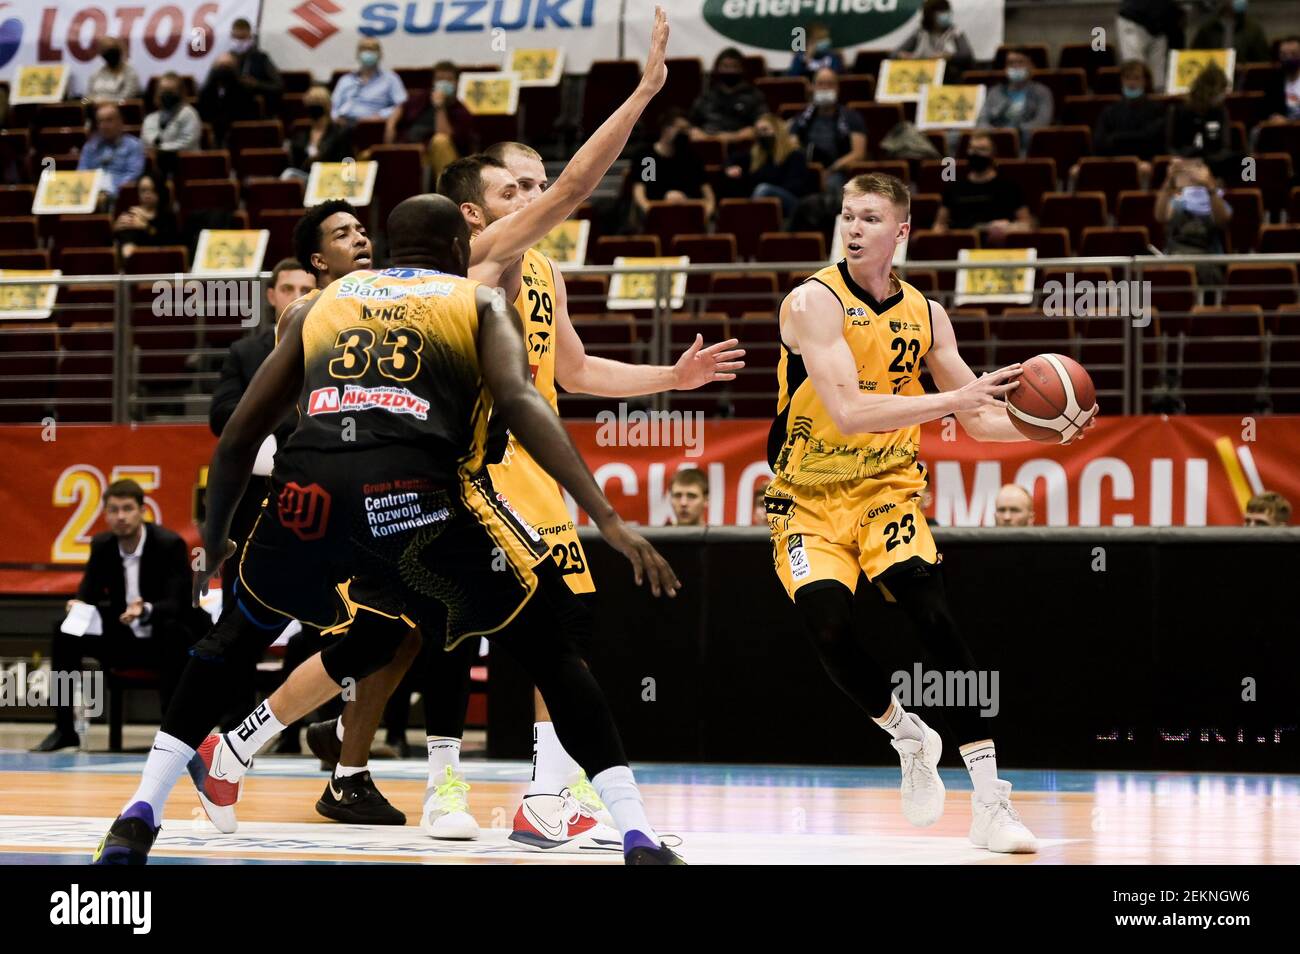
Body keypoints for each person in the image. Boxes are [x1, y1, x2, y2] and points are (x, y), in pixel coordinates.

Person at [92, 190, 685, 865]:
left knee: (234, 640)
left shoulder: (317, 307)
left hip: (307, 500)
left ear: (389, 243)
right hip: (416, 503)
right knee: (551, 651)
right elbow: (522, 404)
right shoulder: (479, 302)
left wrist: (216, 534)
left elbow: (237, 436)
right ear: (460, 251)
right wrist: (606, 515)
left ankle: (139, 812)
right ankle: (636, 831)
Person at [765, 172, 1096, 854]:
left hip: (888, 490)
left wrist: (1052, 429)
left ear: (902, 230)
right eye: (847, 216)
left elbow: (978, 417)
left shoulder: (927, 314)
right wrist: (957, 399)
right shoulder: (812, 304)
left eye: (870, 218)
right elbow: (852, 412)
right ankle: (906, 734)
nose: (853, 228)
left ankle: (991, 802)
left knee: (936, 622)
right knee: (829, 629)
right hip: (807, 499)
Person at [32, 481, 199, 752]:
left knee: (174, 631)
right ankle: (65, 729)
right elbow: (89, 593)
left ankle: (171, 735)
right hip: (122, 638)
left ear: (142, 511)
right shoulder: (103, 545)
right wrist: (79, 605)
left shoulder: (168, 544)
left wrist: (144, 610)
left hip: (161, 636)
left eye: (127, 509)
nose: (120, 517)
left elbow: (177, 602)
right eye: (113, 510)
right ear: (105, 514)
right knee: (65, 631)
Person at [933, 132, 1032, 241]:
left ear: (993, 154)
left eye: (982, 150)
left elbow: (1026, 226)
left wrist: (1008, 228)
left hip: (1000, 249)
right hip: (962, 248)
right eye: (972, 149)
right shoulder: (953, 188)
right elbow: (939, 225)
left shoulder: (1009, 187)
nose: (975, 154)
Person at [787, 68, 867, 198]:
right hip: (807, 171)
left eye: (830, 84)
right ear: (812, 88)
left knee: (832, 184)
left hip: (837, 171)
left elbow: (858, 154)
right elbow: (791, 146)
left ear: (837, 88)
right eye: (820, 84)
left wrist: (830, 170)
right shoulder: (802, 118)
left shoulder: (851, 117)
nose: (825, 88)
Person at [631, 107, 716, 225]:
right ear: (666, 128)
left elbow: (708, 196)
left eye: (687, 130)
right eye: (680, 129)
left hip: (687, 218)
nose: (684, 134)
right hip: (656, 217)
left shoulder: (691, 158)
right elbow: (640, 192)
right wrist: (652, 212)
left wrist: (704, 215)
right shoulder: (648, 158)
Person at [724, 113, 811, 223]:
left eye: (765, 130)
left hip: (791, 201)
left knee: (764, 189)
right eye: (759, 132)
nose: (762, 135)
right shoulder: (757, 154)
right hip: (762, 202)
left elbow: (796, 186)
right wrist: (730, 167)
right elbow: (731, 159)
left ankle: (747, 221)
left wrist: (773, 189)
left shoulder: (794, 155)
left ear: (777, 131)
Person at [1158, 157, 1232, 281]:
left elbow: (1222, 220)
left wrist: (1209, 187)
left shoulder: (1217, 199)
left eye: (1199, 168)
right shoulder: (1177, 202)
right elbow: (1160, 216)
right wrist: (1169, 181)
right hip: (1176, 258)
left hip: (1207, 259)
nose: (1193, 174)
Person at [404, 61, 478, 180]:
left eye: (449, 80)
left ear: (456, 83)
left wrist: (440, 108)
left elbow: (444, 135)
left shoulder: (461, 112)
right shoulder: (422, 100)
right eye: (439, 79)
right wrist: (391, 123)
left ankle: (447, 193)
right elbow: (402, 107)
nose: (443, 83)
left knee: (440, 141)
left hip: (451, 162)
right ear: (433, 82)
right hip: (415, 151)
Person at [1092, 60, 1167, 179]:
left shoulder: (1157, 110)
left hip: (1145, 162)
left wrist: (1116, 138)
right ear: (1122, 81)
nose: (1131, 83)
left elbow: (1150, 140)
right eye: (1127, 78)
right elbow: (1100, 143)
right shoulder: (1110, 111)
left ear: (1145, 82)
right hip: (1114, 160)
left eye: (1136, 78)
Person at [688, 47, 766, 153]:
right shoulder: (707, 96)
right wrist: (705, 137)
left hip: (741, 149)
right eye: (725, 66)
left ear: (742, 69)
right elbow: (692, 125)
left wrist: (734, 137)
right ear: (717, 68)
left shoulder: (754, 96)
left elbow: (762, 124)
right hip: (707, 146)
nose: (729, 70)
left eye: (734, 66)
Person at [331, 38, 408, 145]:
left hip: (373, 125)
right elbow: (333, 106)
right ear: (357, 54)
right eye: (364, 49)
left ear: (380, 54)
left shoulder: (391, 79)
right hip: (344, 124)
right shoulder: (345, 80)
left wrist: (383, 117)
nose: (368, 52)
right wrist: (336, 118)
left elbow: (399, 106)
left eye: (372, 49)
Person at [1167, 63, 1236, 179]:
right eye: (1222, 90)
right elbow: (1170, 147)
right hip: (1184, 162)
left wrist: (1208, 160)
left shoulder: (1221, 112)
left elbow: (1225, 147)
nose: (1224, 95)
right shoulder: (1178, 110)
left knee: (1248, 162)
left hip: (1214, 162)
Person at [977, 50, 1053, 151]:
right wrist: (996, 133)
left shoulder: (1042, 92)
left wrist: (1015, 132)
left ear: (1031, 67)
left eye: (1020, 62)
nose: (1016, 66)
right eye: (1011, 63)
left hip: (1026, 146)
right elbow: (982, 120)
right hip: (993, 144)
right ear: (1005, 68)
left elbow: (1042, 122)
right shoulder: (994, 92)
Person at [140, 73, 201, 183]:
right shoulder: (150, 119)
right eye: (163, 90)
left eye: (171, 91)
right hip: (158, 173)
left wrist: (161, 149)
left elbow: (187, 143)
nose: (167, 94)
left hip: (187, 169)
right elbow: (148, 142)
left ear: (180, 93)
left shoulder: (189, 114)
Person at [78, 103, 145, 201]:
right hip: (91, 195)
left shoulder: (133, 145)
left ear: (120, 122)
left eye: (109, 120)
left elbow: (133, 175)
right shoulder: (90, 146)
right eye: (100, 121)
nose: (104, 126)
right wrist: (93, 192)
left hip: (119, 196)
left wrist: (110, 192)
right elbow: (81, 172)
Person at [893, 0, 974, 80]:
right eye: (941, 11)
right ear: (930, 15)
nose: (946, 14)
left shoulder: (955, 32)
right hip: (922, 76)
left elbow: (966, 55)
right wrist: (902, 56)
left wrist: (949, 57)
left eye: (947, 11)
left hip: (947, 76)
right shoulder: (920, 33)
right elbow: (894, 54)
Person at [286, 85, 354, 178]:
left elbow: (347, 162)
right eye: (310, 103)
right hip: (307, 178)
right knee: (289, 174)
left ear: (327, 106)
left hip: (331, 178)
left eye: (317, 102)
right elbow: (296, 164)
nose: (313, 107)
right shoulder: (301, 135)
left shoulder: (340, 133)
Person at [1116, 0, 1184, 93]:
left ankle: (1157, 103)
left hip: (1160, 24)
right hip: (1133, 18)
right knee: (1134, 71)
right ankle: (1133, 104)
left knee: (1158, 81)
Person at [196, 53, 260, 148]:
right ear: (214, 68)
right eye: (221, 66)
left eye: (228, 66)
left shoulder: (245, 92)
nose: (224, 70)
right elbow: (203, 117)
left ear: (235, 68)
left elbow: (247, 120)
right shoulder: (206, 93)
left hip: (239, 140)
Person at [112, 172, 180, 258]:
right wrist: (115, 230)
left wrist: (145, 227)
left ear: (160, 191)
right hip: (135, 262)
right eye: (143, 190)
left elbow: (170, 243)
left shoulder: (168, 216)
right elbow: (124, 245)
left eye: (152, 190)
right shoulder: (131, 213)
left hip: (161, 260)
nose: (147, 194)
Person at [1190, 0, 1270, 65]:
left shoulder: (1253, 30)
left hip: (1243, 80)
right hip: (1213, 78)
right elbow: (1193, 57)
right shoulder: (1208, 29)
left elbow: (1263, 62)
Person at [229, 18, 283, 113]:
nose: (239, 42)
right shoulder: (226, 60)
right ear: (232, 37)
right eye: (237, 38)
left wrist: (257, 84)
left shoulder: (261, 58)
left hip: (256, 110)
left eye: (243, 38)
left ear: (250, 37)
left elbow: (278, 86)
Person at [83, 37, 141, 102]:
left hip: (119, 108)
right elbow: (86, 98)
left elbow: (127, 98)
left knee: (106, 112)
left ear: (120, 51)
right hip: (94, 107)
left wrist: (105, 102)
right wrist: (92, 101)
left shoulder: (130, 73)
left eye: (112, 50)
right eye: (105, 50)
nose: (110, 54)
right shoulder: (97, 73)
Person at [1262, 35, 1300, 122]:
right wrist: (1274, 117)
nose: (1288, 58)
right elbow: (1266, 111)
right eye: (1284, 55)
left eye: (1293, 54)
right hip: (1282, 130)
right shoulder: (1273, 82)